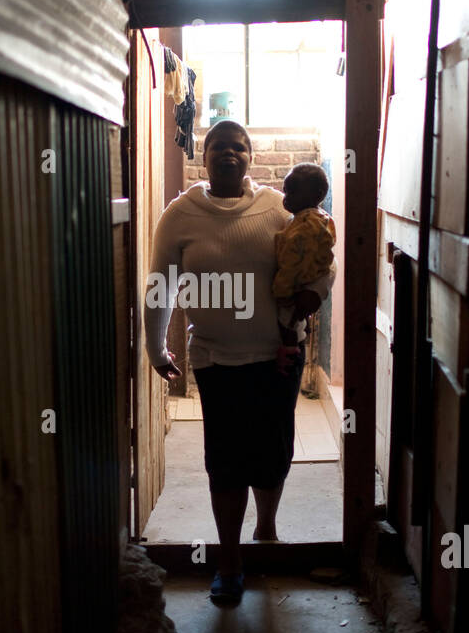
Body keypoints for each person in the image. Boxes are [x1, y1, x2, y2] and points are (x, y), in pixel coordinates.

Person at [144, 120, 335, 604]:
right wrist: (155, 348)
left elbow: (321, 260)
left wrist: (316, 292)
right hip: (215, 360)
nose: (229, 153)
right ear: (203, 157)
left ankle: (266, 527)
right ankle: (229, 560)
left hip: (277, 357)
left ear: (250, 156)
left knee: (272, 453)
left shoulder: (276, 208)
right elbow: (159, 286)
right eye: (218, 147)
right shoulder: (181, 215)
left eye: (239, 147)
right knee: (225, 462)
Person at [272, 162, 336, 374]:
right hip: (300, 281)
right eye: (285, 191)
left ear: (317, 195)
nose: (286, 198)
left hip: (296, 284)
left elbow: (295, 262)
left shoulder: (309, 225)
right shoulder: (305, 219)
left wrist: (282, 289)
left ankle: (289, 352)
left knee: (286, 320)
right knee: (294, 318)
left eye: (293, 192)